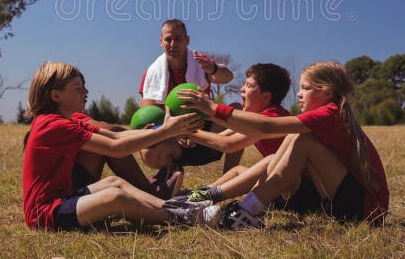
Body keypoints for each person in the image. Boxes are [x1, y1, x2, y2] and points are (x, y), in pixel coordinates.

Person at [179, 61, 389, 229]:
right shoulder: (324, 115)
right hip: (345, 202)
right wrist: (192, 129)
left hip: (364, 209)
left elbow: (263, 129)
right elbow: (233, 134)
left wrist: (214, 109)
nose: (298, 94)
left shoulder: (331, 112)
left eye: (305, 88)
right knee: (285, 143)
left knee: (301, 138)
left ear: (326, 92)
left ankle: (244, 210)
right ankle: (228, 205)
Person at [22, 61, 219, 231]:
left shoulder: (65, 121)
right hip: (45, 215)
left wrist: (161, 130)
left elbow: (115, 136)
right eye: (78, 88)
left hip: (63, 198)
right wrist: (167, 131)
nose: (86, 92)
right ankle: (182, 218)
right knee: (115, 196)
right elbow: (116, 148)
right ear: (56, 96)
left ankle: (172, 206)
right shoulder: (52, 126)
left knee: (114, 182)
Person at [138, 19, 237, 176]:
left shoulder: (200, 62)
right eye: (168, 39)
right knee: (147, 152)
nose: (173, 44)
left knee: (238, 110)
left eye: (178, 39)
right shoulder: (152, 73)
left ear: (187, 40)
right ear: (161, 42)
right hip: (174, 141)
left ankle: (231, 176)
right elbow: (148, 119)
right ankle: (171, 176)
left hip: (210, 136)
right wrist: (173, 132)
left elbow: (227, 77)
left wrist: (214, 68)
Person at [183, 63, 291, 203]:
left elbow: (229, 144)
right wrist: (193, 135)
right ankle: (196, 196)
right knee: (238, 170)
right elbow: (224, 135)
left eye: (249, 85)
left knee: (271, 159)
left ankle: (210, 196)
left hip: (290, 188)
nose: (242, 89)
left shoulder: (272, 118)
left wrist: (184, 132)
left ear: (265, 97)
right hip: (279, 180)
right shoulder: (255, 117)